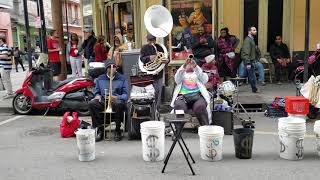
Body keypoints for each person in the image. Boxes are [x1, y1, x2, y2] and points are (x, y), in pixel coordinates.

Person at [88, 61, 129, 142]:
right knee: (92, 104)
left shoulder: (122, 79)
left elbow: (126, 95)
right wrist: (97, 96)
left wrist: (117, 97)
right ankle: (100, 130)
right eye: (110, 67)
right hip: (103, 101)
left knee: (119, 104)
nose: (112, 69)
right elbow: (96, 92)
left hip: (116, 102)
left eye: (114, 67)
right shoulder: (100, 78)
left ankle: (117, 130)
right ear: (106, 69)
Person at [171, 57, 211, 125]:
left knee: (200, 107)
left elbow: (205, 80)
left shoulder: (198, 73)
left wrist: (196, 67)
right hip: (183, 97)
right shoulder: (182, 73)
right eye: (188, 64)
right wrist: (183, 67)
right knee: (179, 107)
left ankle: (205, 129)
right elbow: (177, 80)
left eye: (191, 64)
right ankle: (177, 132)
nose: (190, 65)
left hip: (197, 96)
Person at [140, 34, 169, 118]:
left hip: (158, 73)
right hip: (149, 73)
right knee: (150, 94)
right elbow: (142, 59)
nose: (151, 42)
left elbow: (166, 57)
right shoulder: (144, 48)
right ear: (147, 40)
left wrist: (166, 60)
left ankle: (157, 111)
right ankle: (150, 112)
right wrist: (149, 58)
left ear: (155, 39)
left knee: (158, 92)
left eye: (153, 40)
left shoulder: (160, 47)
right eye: (150, 40)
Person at [241, 26, 264, 93]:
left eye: (255, 30)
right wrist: (248, 62)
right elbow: (246, 51)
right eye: (254, 30)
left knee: (248, 75)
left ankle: (254, 89)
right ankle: (254, 89)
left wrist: (256, 59)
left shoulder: (251, 39)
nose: (255, 31)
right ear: (249, 31)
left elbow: (253, 51)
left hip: (251, 60)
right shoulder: (248, 40)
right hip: (248, 61)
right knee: (250, 76)